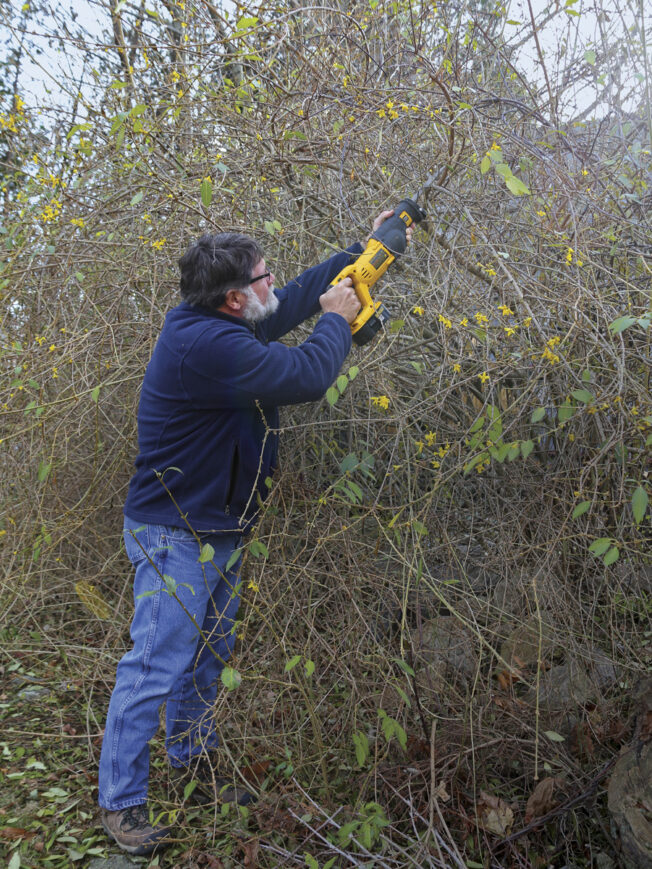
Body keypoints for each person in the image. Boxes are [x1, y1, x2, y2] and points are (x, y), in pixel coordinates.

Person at [98, 210, 411, 855]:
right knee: (155, 667)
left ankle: (192, 761)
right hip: (175, 533)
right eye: (262, 276)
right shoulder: (207, 347)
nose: (275, 282)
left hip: (216, 528)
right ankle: (122, 804)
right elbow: (306, 375)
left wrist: (366, 250)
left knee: (206, 658)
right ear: (235, 296)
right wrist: (336, 319)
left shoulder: (223, 318)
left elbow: (291, 297)